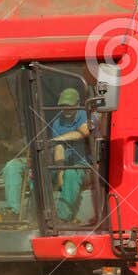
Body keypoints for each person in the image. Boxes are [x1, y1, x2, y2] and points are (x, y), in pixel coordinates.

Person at [49, 87, 93, 222]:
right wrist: (60, 173)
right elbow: (59, 149)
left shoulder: (87, 115)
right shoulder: (57, 121)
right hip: (67, 165)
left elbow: (83, 133)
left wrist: (58, 139)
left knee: (72, 173)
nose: (66, 109)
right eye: (63, 106)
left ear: (78, 103)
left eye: (69, 105)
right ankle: (31, 216)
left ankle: (61, 218)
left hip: (87, 168)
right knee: (38, 174)